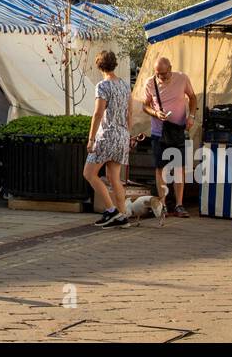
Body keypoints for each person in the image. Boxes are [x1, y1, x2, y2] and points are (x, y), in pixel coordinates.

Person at [84, 50, 134, 228]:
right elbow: (130, 113)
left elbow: (98, 114)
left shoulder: (102, 86)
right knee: (114, 178)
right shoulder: (125, 85)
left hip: (106, 135)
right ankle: (122, 216)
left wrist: (91, 139)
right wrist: (128, 134)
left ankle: (111, 210)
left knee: (89, 174)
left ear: (99, 66)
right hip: (122, 135)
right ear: (114, 64)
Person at [142, 56, 197, 218]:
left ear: (170, 69)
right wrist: (155, 113)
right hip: (159, 132)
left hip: (178, 130)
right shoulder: (150, 83)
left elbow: (193, 97)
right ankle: (163, 204)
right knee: (161, 169)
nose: (162, 78)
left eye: (164, 74)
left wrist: (191, 116)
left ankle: (179, 204)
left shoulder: (182, 78)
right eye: (158, 74)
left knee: (179, 168)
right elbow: (145, 105)